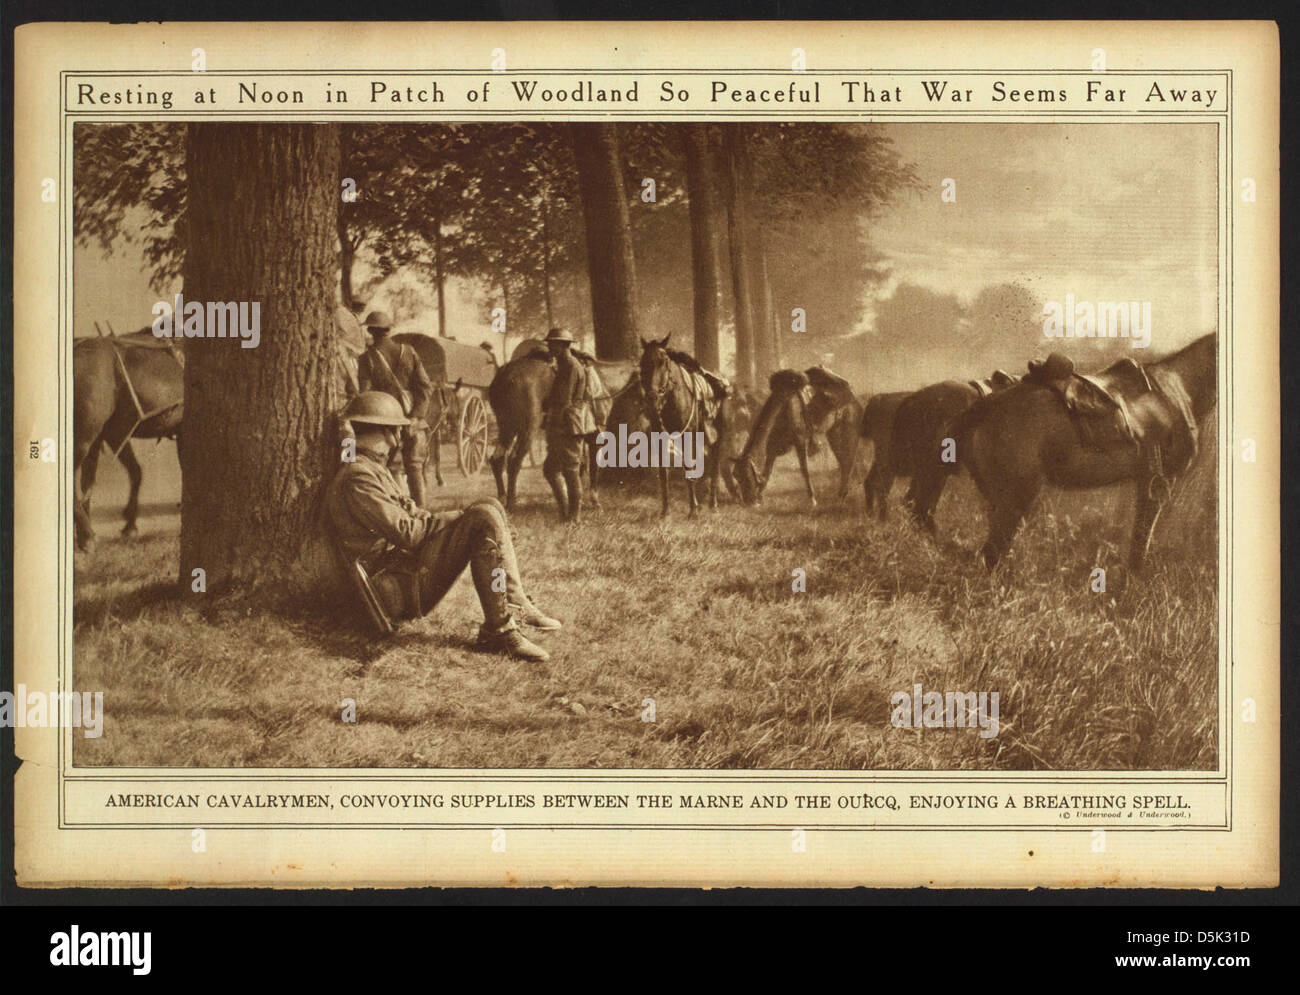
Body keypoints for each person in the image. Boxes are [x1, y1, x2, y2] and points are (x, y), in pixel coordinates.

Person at [327, 391, 559, 662]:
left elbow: (412, 514)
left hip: (402, 570)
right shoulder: (359, 477)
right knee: (482, 516)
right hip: (393, 588)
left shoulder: (370, 470)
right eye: (395, 432)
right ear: (384, 433)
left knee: (489, 506)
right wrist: (457, 516)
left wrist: (457, 516)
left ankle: (514, 600)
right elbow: (409, 534)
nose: (398, 441)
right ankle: (500, 630)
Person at [357, 310, 435, 508]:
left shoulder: (367, 358)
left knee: (383, 469)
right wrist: (416, 418)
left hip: (385, 424)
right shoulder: (409, 351)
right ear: (388, 330)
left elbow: (365, 395)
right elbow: (425, 387)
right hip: (413, 421)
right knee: (415, 469)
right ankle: (423, 516)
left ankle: (393, 515)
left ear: (371, 331)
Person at [541, 327, 595, 522]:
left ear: (563, 345)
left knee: (571, 471)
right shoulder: (564, 366)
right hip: (562, 426)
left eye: (552, 344)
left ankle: (574, 517)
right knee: (550, 470)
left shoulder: (571, 367)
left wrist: (549, 417)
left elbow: (563, 400)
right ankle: (566, 513)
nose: (549, 347)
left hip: (568, 426)